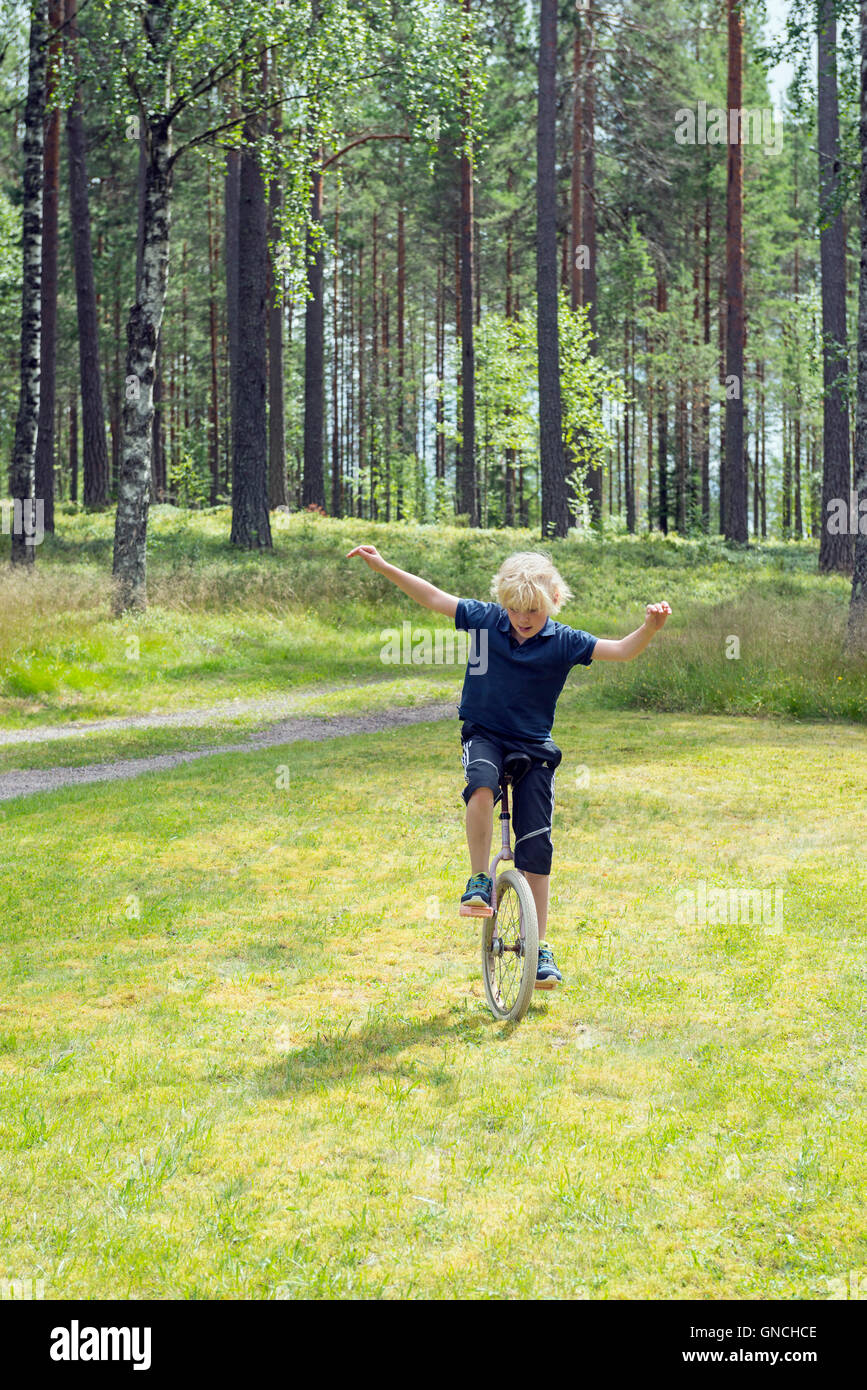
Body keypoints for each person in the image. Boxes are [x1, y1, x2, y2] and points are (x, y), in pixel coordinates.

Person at [346, 544, 671, 989]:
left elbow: (620, 650)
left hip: (534, 748)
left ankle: (537, 948)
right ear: (503, 601)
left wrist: (649, 629)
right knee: (481, 788)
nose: (522, 618)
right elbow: (433, 597)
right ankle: (480, 878)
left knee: (536, 849)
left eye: (533, 610)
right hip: (485, 735)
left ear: (554, 600)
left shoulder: (564, 641)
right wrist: (383, 567)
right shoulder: (485, 621)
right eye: (515, 608)